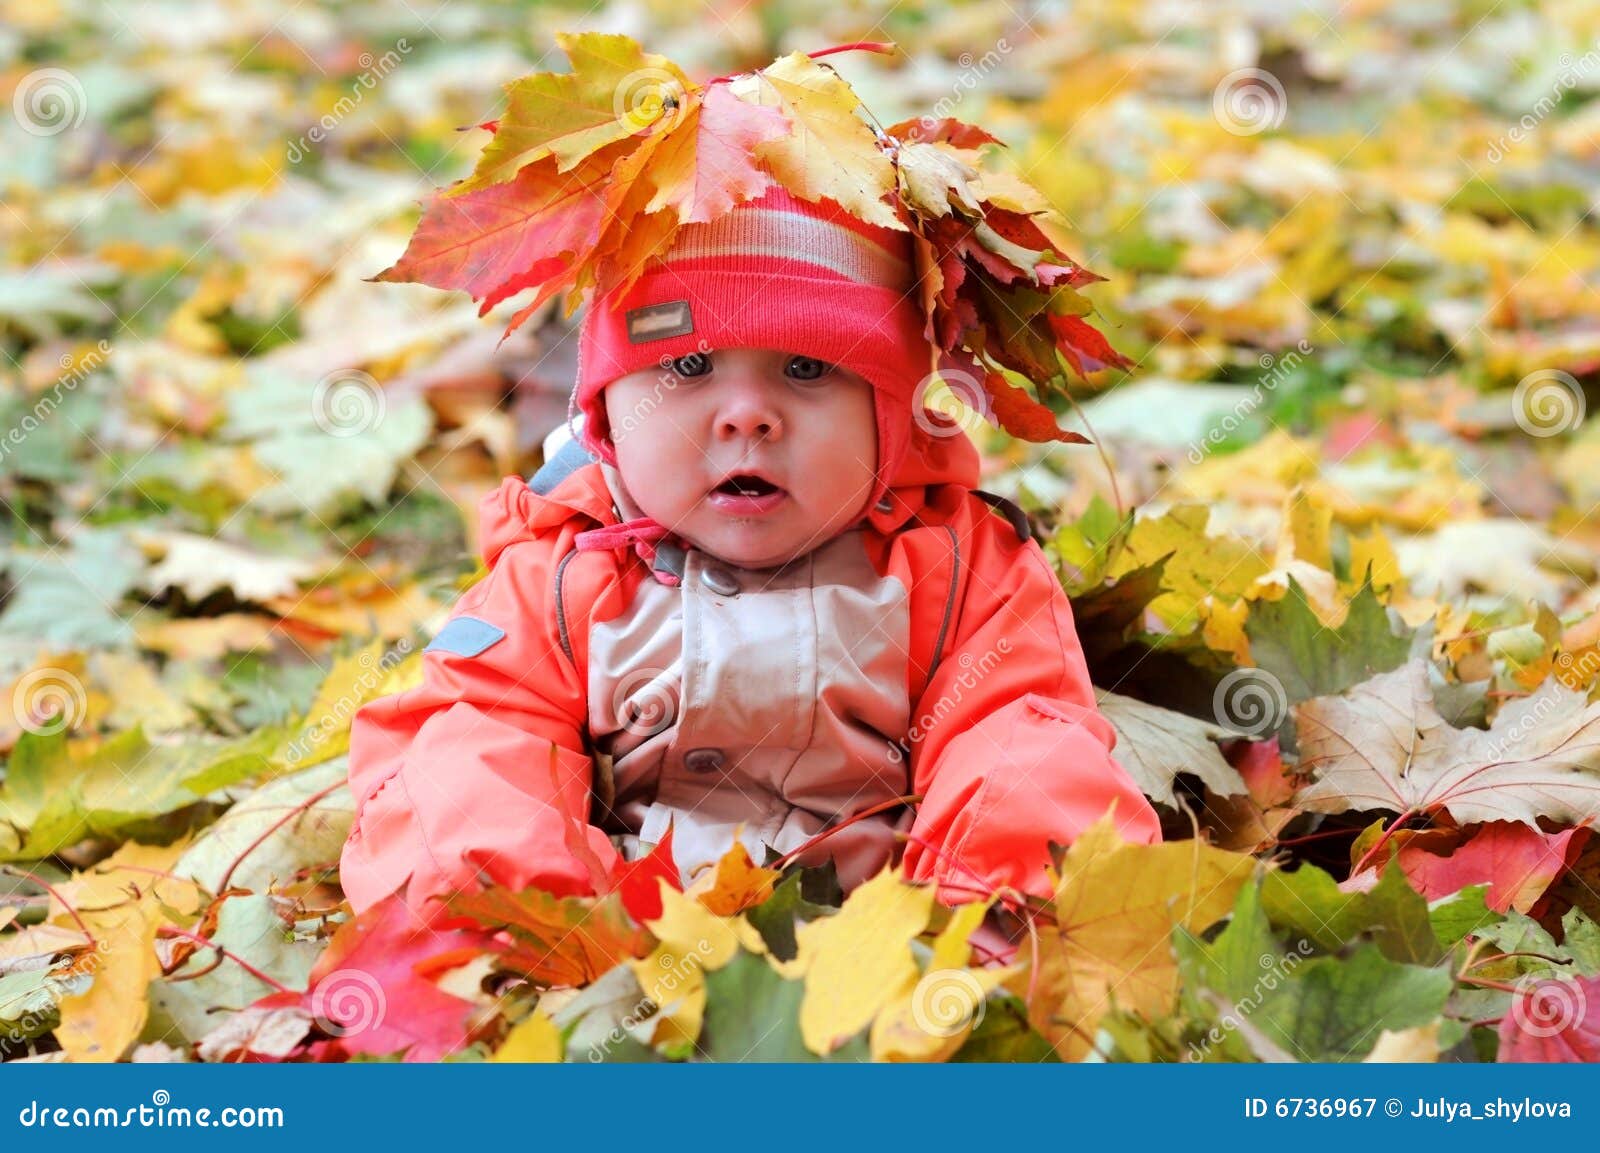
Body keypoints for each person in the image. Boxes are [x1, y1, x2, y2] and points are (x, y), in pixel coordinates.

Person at [339, 182, 1160, 950]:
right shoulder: (562, 568)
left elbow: (1017, 735)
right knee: (453, 778)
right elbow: (482, 735)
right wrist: (543, 920)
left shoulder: (951, 563)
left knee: (1049, 784)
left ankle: (1002, 950)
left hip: (881, 940)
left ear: (895, 411)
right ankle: (507, 945)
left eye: (807, 369)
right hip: (620, 935)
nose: (747, 417)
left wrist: (976, 927)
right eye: (688, 367)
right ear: (607, 417)